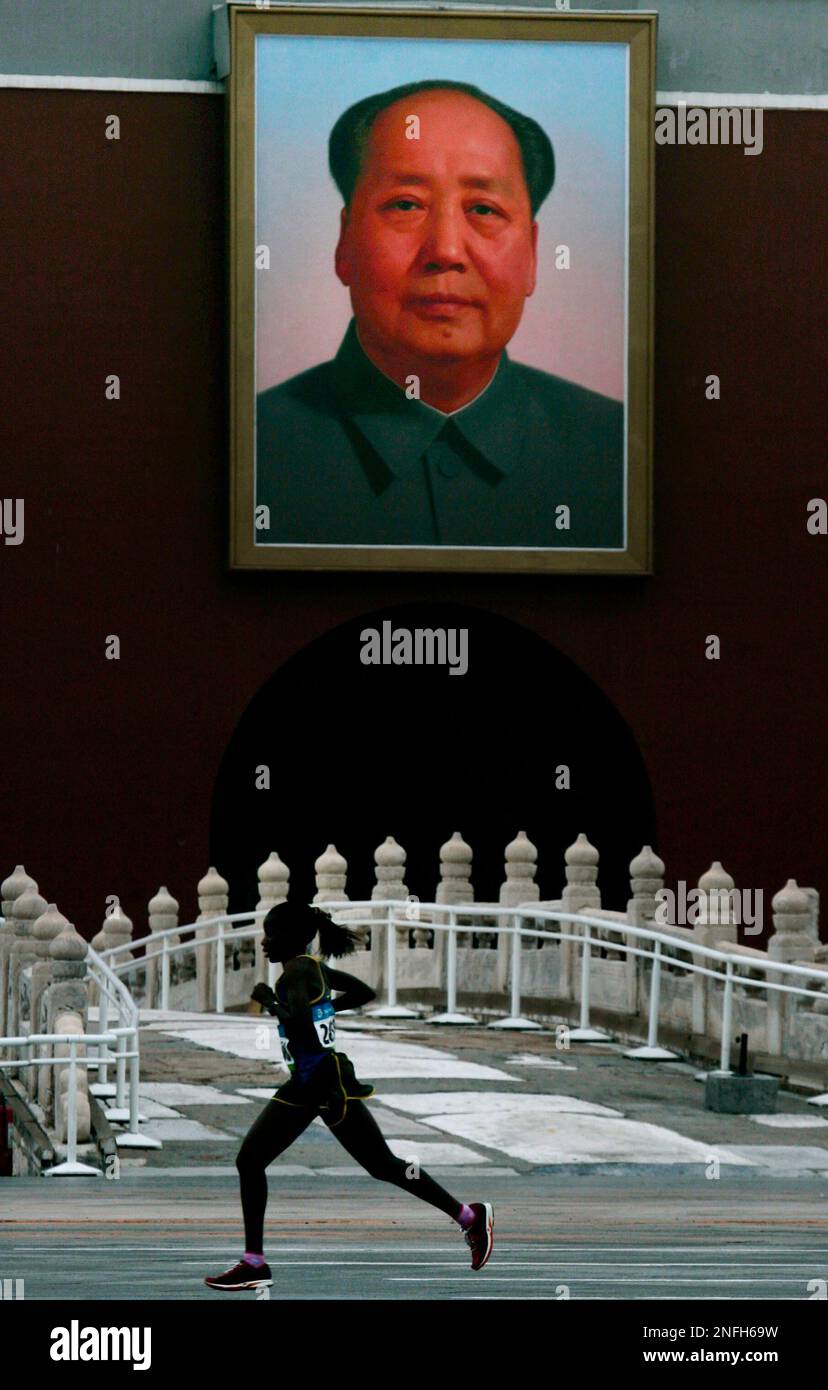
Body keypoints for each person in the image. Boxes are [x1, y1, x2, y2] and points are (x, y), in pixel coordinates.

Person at [256, 79, 624, 550]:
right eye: (406, 204)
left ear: (532, 255)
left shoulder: (619, 453)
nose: (446, 250)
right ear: (345, 243)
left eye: (484, 209)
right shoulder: (252, 451)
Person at [204, 900, 494, 1289]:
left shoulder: (292, 977)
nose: (263, 943)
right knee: (375, 1165)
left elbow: (303, 1031)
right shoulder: (312, 969)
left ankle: (471, 1219)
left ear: (289, 938)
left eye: (270, 935)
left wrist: (270, 1002)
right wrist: (327, 1005)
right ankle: (469, 1219)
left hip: (318, 1084)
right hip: (317, 1081)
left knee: (260, 1161)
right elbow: (363, 991)